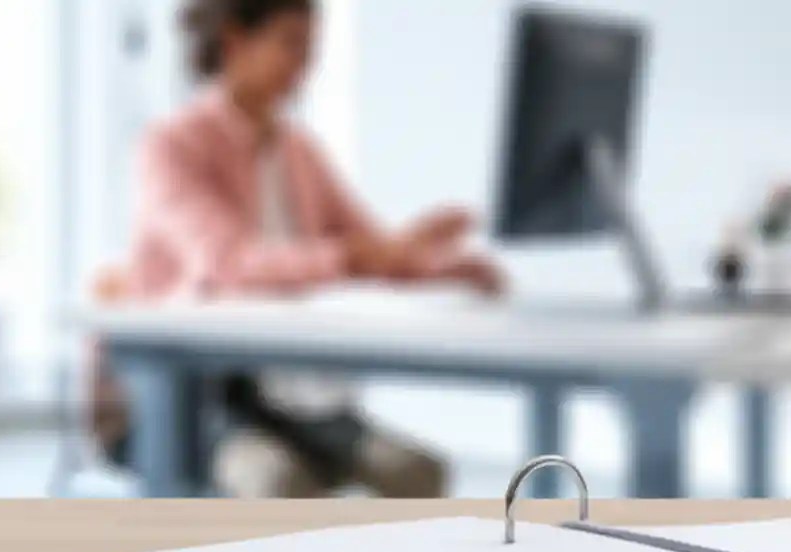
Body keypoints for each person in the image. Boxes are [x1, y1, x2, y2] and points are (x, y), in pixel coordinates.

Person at [119, 0, 506, 498]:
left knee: (417, 472)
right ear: (236, 41)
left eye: (312, 49)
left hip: (287, 389)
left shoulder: (296, 150)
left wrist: (440, 266)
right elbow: (228, 265)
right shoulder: (171, 146)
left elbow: (370, 250)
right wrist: (356, 256)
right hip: (195, 393)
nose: (306, 65)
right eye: (292, 45)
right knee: (278, 482)